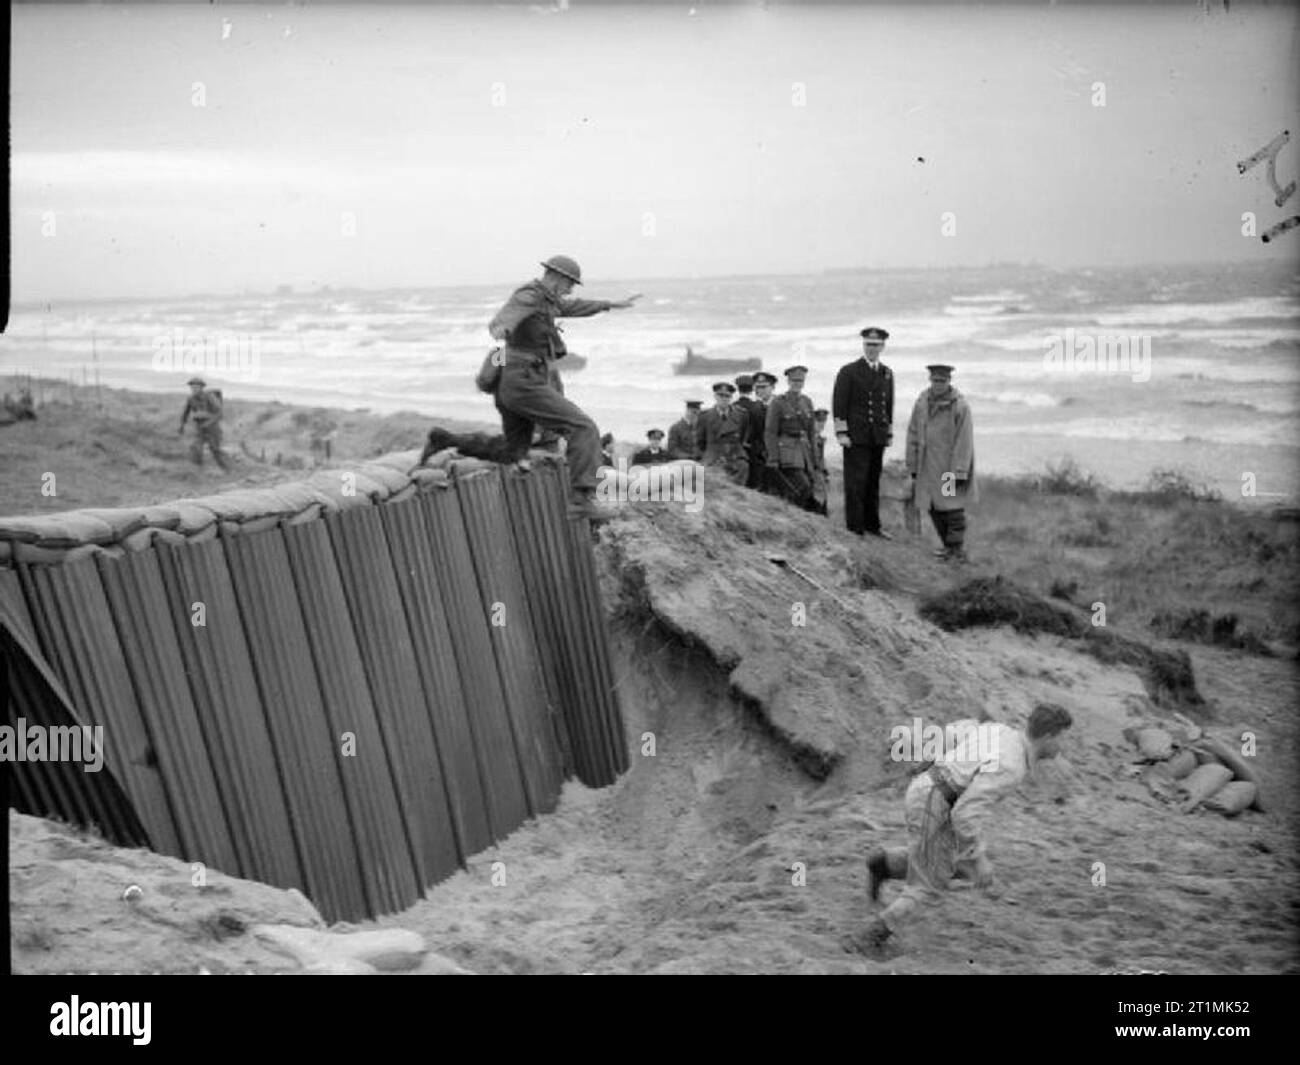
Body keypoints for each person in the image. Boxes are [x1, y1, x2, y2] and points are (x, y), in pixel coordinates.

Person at [852, 703, 1075, 955]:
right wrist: (979, 859)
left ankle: (884, 864)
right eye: (1061, 739)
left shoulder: (1000, 730)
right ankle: (870, 936)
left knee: (948, 864)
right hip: (937, 803)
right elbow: (965, 815)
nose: (1061, 747)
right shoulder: (1011, 766)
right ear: (1047, 737)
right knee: (929, 886)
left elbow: (957, 732)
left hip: (929, 789)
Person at [487, 254, 640, 516]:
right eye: (570, 284)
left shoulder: (547, 300)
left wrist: (609, 305)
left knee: (555, 432)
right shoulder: (530, 295)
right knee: (584, 428)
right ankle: (582, 499)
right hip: (522, 378)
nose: (569, 290)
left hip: (529, 376)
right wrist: (502, 329)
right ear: (558, 278)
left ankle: (554, 476)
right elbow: (502, 319)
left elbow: (573, 307)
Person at [906, 363, 976, 562]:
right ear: (930, 380)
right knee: (932, 507)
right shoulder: (921, 402)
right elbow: (912, 432)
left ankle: (956, 550)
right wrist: (911, 464)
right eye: (935, 380)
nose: (938, 384)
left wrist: (960, 471)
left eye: (942, 381)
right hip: (926, 467)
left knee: (952, 509)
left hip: (948, 469)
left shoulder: (960, 406)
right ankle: (947, 547)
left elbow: (964, 441)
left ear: (949, 381)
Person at [832, 326, 895, 538]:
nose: (872, 348)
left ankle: (872, 526)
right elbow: (839, 403)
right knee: (855, 483)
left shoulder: (887, 373)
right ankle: (855, 528)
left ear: (883, 346)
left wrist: (888, 432)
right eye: (868, 344)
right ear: (863, 345)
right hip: (855, 436)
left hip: (877, 435)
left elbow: (888, 405)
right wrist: (842, 433)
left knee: (872, 482)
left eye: (876, 345)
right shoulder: (848, 371)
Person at [764, 366, 818, 510]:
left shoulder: (807, 401)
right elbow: (770, 432)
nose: (797, 383)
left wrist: (815, 458)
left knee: (809, 487)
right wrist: (773, 458)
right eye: (794, 380)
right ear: (788, 381)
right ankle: (792, 514)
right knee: (802, 486)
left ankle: (797, 515)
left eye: (800, 381)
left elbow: (811, 432)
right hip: (786, 452)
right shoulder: (778, 403)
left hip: (804, 452)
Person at [696, 381, 750, 484]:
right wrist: (709, 454)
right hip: (713, 456)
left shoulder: (741, 414)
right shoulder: (704, 416)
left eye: (727, 396)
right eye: (721, 396)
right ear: (715, 396)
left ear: (731, 398)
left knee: (742, 468)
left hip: (734, 455)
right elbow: (700, 441)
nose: (724, 399)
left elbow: (743, 437)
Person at [178, 377, 231, 471]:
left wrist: (208, 423)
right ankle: (198, 472)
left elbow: (219, 413)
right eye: (192, 387)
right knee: (196, 448)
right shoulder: (191, 398)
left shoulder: (209, 397)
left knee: (215, 450)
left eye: (196, 387)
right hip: (199, 427)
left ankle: (227, 469)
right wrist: (182, 425)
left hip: (213, 428)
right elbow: (185, 413)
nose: (194, 389)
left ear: (201, 388)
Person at [747, 371, 777, 491]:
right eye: (758, 387)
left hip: (778, 451)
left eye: (764, 387)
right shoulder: (753, 408)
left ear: (772, 387)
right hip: (759, 454)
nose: (760, 390)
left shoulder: (780, 405)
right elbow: (752, 434)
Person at [810, 409, 830, 517]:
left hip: (820, 474)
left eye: (823, 422)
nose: (821, 425)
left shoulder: (820, 439)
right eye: (819, 421)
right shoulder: (810, 438)